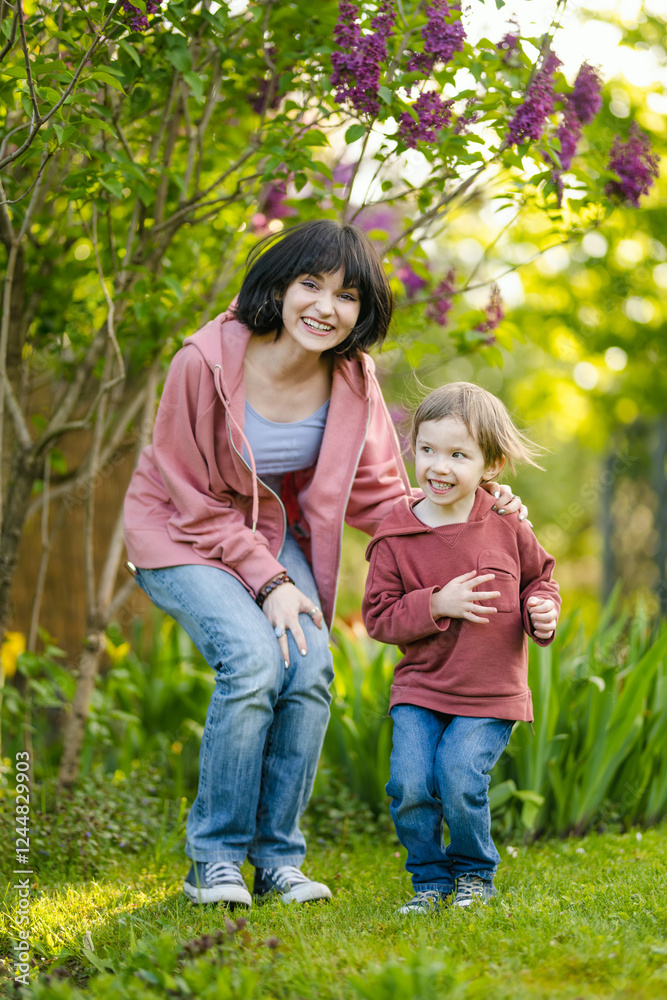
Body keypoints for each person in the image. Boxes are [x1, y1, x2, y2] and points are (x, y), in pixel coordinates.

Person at [123, 221, 525, 908]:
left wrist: (463, 503)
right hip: (180, 533)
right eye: (310, 284)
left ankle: (278, 860)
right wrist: (273, 581)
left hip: (267, 531)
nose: (324, 306)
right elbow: (193, 501)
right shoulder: (203, 362)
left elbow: (374, 493)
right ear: (278, 287)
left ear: (361, 311)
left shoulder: (351, 375)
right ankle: (213, 860)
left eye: (345, 295)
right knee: (252, 660)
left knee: (308, 668)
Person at [362, 381, 560, 914]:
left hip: (489, 690)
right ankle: (429, 881)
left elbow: (540, 580)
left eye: (457, 454)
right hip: (421, 688)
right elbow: (378, 617)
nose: (438, 466)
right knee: (408, 783)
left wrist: (544, 611)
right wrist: (436, 604)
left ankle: (474, 875)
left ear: (489, 464)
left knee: (458, 774)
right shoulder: (396, 534)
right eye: (427, 449)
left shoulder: (506, 522)